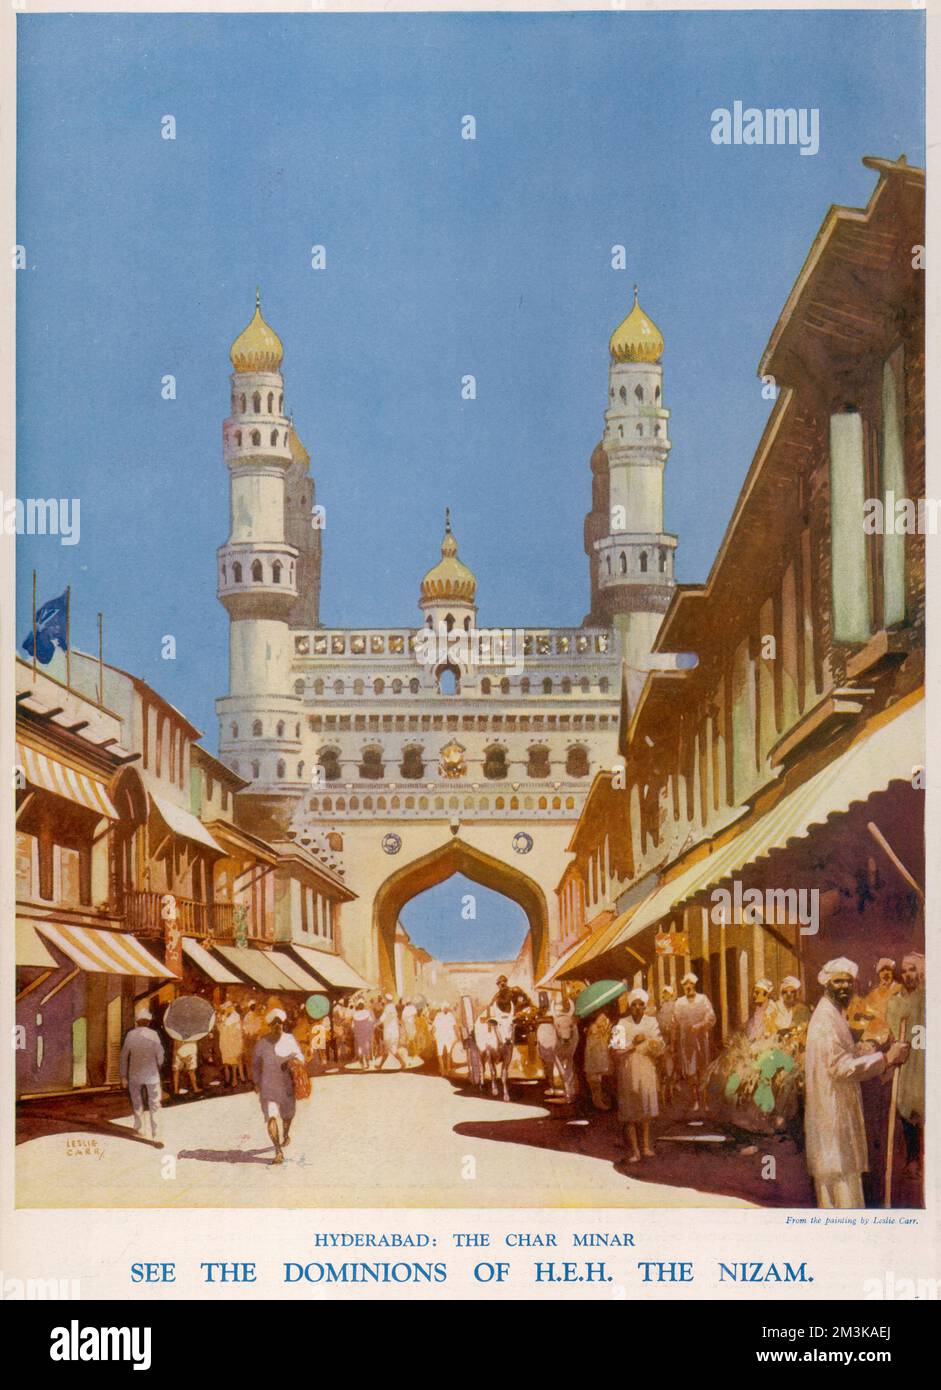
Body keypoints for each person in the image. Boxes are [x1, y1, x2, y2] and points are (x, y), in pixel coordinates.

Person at [804, 957, 909, 1209]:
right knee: (841, 1195)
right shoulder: (825, 1020)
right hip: (833, 1115)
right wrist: (884, 1058)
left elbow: (842, 1056)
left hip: (836, 1113)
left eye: (848, 982)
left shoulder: (832, 1013)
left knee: (839, 1187)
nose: (844, 987)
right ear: (827, 984)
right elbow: (841, 1067)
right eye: (838, 981)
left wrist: (866, 1049)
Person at [609, 988, 664, 1162]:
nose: (638, 1008)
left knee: (645, 1108)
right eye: (634, 1005)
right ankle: (634, 1151)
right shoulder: (621, 1024)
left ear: (645, 1006)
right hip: (628, 1068)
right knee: (630, 1110)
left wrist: (653, 1045)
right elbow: (616, 1051)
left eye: (641, 1005)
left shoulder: (651, 1022)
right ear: (629, 1006)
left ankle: (646, 1146)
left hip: (646, 1067)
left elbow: (659, 1046)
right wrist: (633, 1044)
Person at [886, 952, 926, 1181]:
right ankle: (913, 1158)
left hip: (927, 1059)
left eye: (913, 969)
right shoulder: (897, 999)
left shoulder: (930, 995)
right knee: (905, 1104)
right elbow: (893, 1025)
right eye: (905, 970)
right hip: (908, 1060)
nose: (908, 975)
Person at [252, 1008, 305, 1165]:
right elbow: (255, 1064)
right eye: (274, 1023)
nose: (277, 1026)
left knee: (288, 1115)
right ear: (269, 1025)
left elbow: (300, 1056)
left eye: (280, 1023)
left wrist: (295, 1061)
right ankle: (277, 1151)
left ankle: (286, 1134)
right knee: (271, 1116)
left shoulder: (289, 1039)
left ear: (283, 1024)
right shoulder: (262, 1043)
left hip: (286, 1084)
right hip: (268, 1085)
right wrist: (256, 1082)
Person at [120, 1003, 165, 1141]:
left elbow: (124, 1056)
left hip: (134, 1073)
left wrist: (123, 1076)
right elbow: (160, 1053)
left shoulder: (130, 1035)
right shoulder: (154, 1035)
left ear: (137, 1022)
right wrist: (159, 1064)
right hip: (152, 1074)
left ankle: (140, 1128)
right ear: (148, 1021)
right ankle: (156, 1133)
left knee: (137, 1101)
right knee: (155, 1103)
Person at [674, 972, 716, 1112]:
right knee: (691, 1072)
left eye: (691, 983)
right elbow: (676, 1020)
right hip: (687, 1040)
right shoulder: (679, 1002)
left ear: (695, 984)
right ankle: (695, 1100)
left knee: (703, 1070)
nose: (688, 986)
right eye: (685, 984)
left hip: (701, 1038)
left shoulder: (703, 999)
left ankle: (705, 1101)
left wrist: (700, 1025)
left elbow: (711, 1017)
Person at [552, 984, 579, 1102]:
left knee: (571, 1065)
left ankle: (571, 1090)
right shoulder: (557, 1020)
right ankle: (568, 1089)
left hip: (572, 1041)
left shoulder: (572, 1018)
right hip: (560, 1041)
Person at [584, 1007, 613, 1110]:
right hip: (594, 1057)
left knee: (598, 1080)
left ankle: (599, 1100)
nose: (604, 1021)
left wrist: (605, 1032)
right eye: (602, 1020)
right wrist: (603, 1032)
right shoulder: (593, 1028)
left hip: (599, 1057)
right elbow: (593, 1044)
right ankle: (597, 1101)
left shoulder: (598, 1027)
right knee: (595, 1080)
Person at [533, 992, 559, 1095]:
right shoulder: (538, 1013)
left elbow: (554, 1022)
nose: (543, 1003)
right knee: (545, 1065)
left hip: (550, 1042)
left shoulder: (551, 1012)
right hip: (541, 1043)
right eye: (541, 1001)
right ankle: (549, 1084)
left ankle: (552, 1085)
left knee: (549, 1065)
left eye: (544, 1000)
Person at [656, 986, 678, 1106]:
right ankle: (664, 1093)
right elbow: (658, 1022)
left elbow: (674, 1025)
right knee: (663, 1065)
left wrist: (672, 1040)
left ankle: (672, 1088)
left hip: (671, 1039)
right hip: (662, 1038)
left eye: (667, 994)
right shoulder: (661, 1007)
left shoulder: (674, 1006)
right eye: (664, 994)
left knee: (671, 1063)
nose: (665, 996)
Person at [218, 1000, 244, 1086]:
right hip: (225, 1042)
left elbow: (237, 1031)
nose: (226, 1010)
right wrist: (221, 1021)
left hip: (233, 1042)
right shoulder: (224, 1016)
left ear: (231, 1008)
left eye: (227, 1008)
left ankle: (234, 1080)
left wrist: (224, 1025)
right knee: (226, 1062)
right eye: (225, 1008)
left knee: (233, 1062)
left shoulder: (236, 1016)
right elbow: (220, 1029)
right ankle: (227, 1079)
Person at [379, 994, 407, 1069]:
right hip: (394, 1033)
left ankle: (403, 1063)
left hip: (389, 1033)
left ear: (386, 1000)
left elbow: (382, 1018)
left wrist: (375, 1024)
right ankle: (380, 1065)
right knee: (388, 1050)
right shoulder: (393, 1008)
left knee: (392, 1050)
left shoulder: (387, 1008)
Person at [745, 979, 778, 1043]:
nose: (754, 995)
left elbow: (769, 1034)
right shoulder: (759, 1006)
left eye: (757, 993)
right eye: (754, 992)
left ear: (766, 994)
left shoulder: (771, 1008)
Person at [351, 996, 376, 1069]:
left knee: (360, 1049)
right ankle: (367, 1063)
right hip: (365, 1033)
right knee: (366, 1048)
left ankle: (362, 1063)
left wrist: (355, 1033)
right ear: (363, 1006)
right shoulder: (367, 1012)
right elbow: (371, 1022)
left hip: (358, 1034)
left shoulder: (355, 1014)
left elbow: (352, 1026)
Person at [433, 1003, 458, 1075]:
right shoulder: (438, 1015)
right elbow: (434, 1026)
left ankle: (448, 1068)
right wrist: (432, 1034)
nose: (446, 1009)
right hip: (440, 1037)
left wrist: (457, 1035)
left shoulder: (450, 1015)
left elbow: (454, 1026)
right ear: (442, 1008)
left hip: (448, 1037)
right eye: (445, 1008)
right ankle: (442, 1070)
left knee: (448, 1053)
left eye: (447, 1008)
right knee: (440, 1054)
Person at [241, 1001, 263, 1072]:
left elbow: (258, 1028)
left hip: (252, 1038)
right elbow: (245, 1028)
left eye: (254, 1005)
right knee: (251, 1056)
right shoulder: (249, 1016)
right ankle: (251, 1073)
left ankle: (251, 1073)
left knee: (250, 1057)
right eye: (253, 1006)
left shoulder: (253, 1016)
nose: (253, 1007)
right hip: (251, 1038)